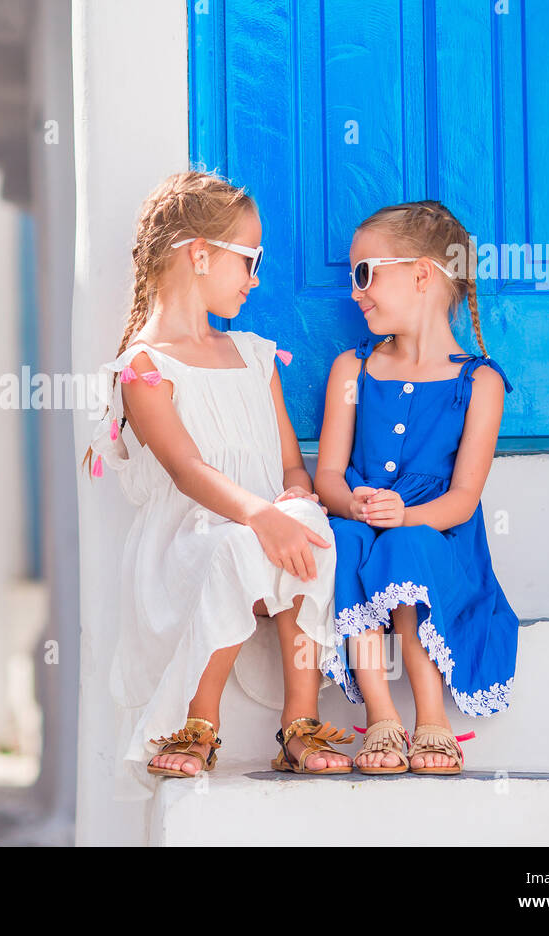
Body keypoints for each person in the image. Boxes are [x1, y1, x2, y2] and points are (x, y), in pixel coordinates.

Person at [85, 169, 350, 802]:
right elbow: (188, 471)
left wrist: (292, 498)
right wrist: (262, 516)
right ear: (199, 255)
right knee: (235, 543)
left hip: (268, 529)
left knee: (312, 529)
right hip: (190, 540)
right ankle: (196, 721)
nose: (255, 279)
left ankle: (300, 723)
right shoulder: (145, 369)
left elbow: (290, 463)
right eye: (249, 259)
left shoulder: (255, 356)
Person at [314, 200, 518, 775]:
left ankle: (432, 718)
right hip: (360, 527)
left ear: (422, 274)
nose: (356, 292)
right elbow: (328, 474)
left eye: (364, 273)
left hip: (436, 538)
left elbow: (462, 501)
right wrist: (350, 500)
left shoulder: (479, 382)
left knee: (404, 545)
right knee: (345, 541)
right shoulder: (351, 371)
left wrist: (404, 516)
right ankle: (382, 716)